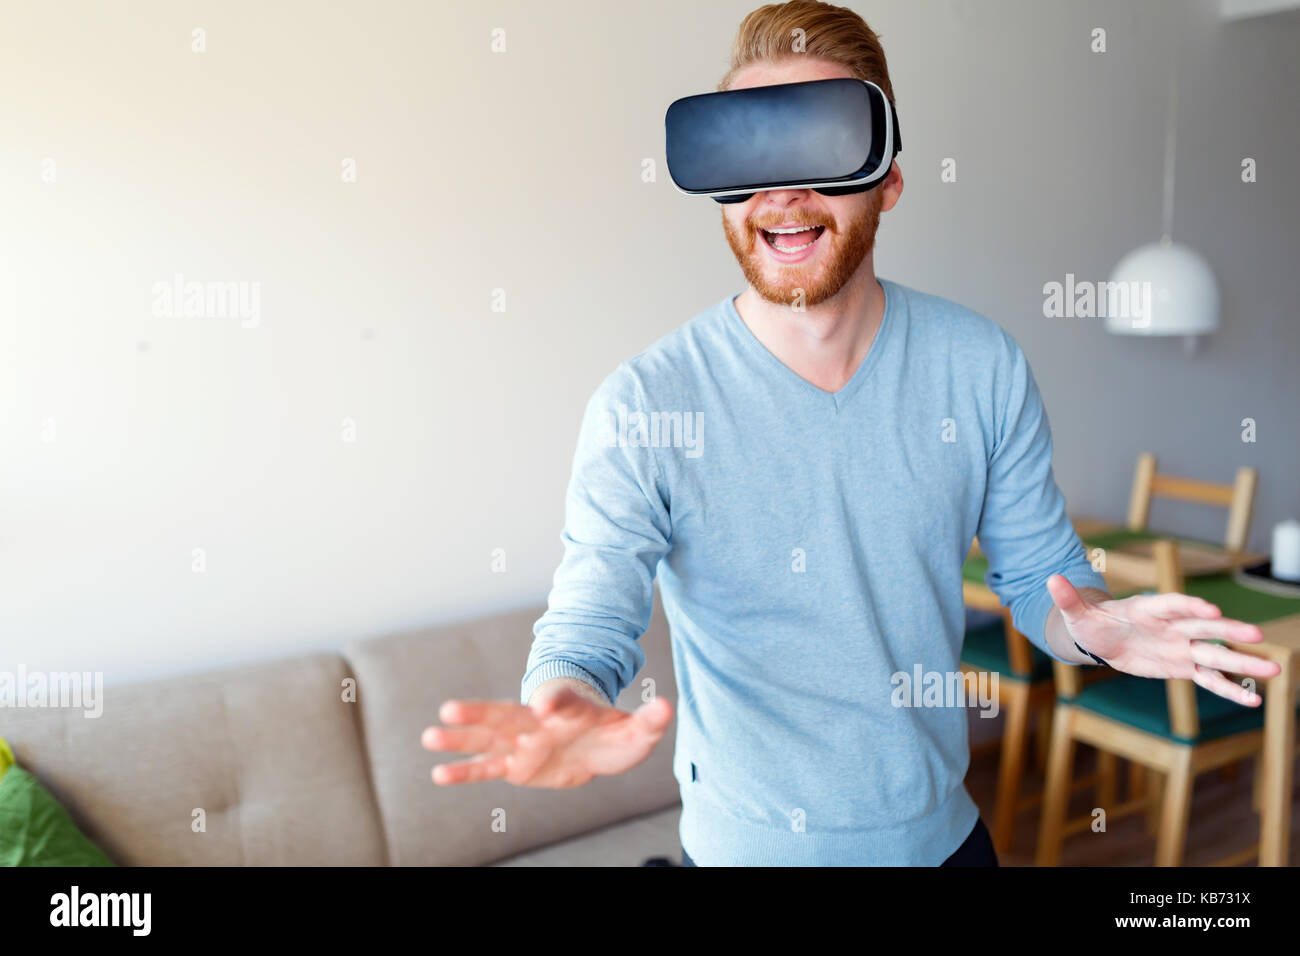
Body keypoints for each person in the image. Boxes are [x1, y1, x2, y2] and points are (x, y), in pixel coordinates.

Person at [421, 0, 1278, 866]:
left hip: (946, 841)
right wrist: (562, 700)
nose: (783, 197)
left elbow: (1041, 583)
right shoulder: (646, 404)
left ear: (889, 180)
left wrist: (1098, 627)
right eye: (751, 161)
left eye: (824, 157)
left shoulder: (981, 367)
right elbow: (590, 617)